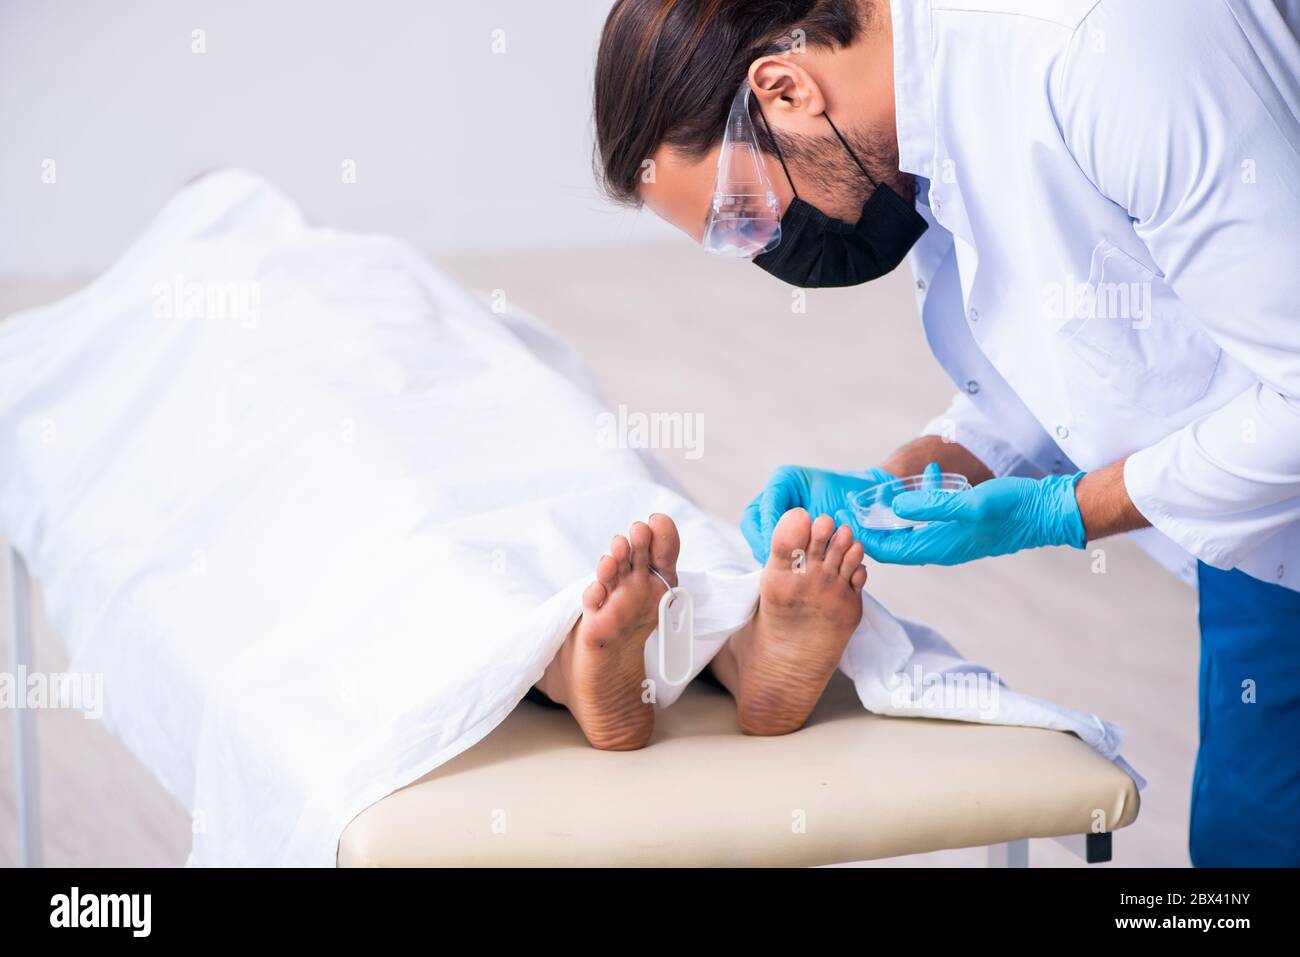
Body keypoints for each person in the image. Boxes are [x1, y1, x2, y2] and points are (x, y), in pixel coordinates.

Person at [592, 0, 1300, 866]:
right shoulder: (915, 129)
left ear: (783, 89)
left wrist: (1062, 511)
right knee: (1243, 848)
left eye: (741, 216)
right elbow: (1081, 348)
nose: (764, 250)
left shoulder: (1102, 49)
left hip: (1271, 473)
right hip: (1258, 525)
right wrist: (918, 476)